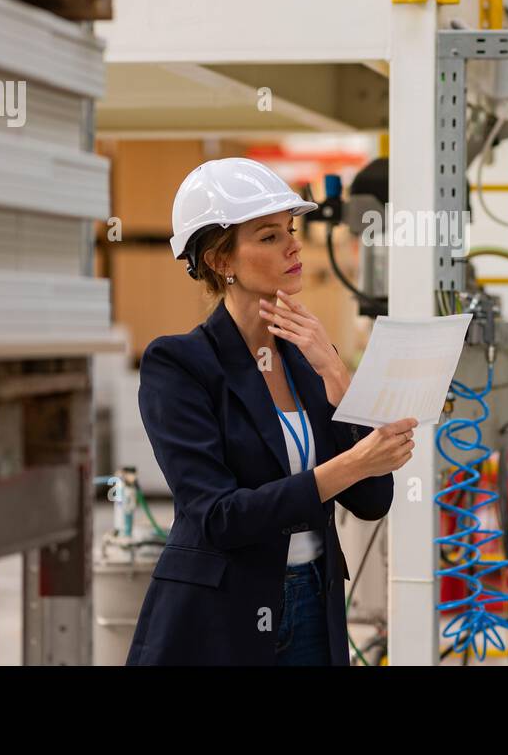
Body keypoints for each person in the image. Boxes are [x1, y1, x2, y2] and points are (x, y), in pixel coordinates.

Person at [126, 157, 416, 665]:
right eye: (267, 236)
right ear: (221, 261)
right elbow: (219, 517)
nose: (292, 245)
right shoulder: (180, 364)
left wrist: (337, 377)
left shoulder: (307, 362)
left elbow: (372, 498)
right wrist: (349, 465)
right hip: (220, 614)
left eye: (290, 229)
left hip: (314, 603)